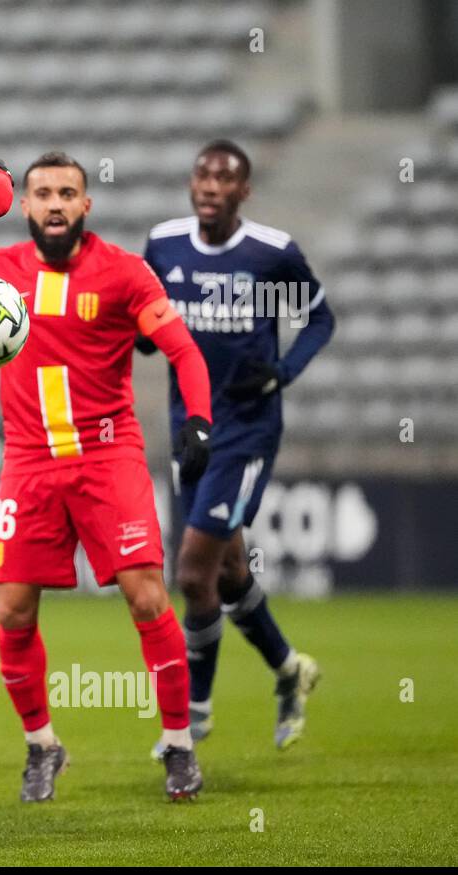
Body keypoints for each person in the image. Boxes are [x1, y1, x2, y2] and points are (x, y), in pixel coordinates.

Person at [0, 152, 215, 801]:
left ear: (85, 205)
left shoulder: (123, 274)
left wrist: (198, 420)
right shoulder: (2, 272)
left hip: (108, 456)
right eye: (42, 193)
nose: (56, 202)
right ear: (26, 206)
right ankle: (43, 746)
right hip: (30, 463)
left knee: (147, 595)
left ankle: (177, 743)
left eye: (68, 192)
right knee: (11, 610)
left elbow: (181, 349)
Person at [140, 139, 334, 751]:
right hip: (189, 427)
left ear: (243, 191)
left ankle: (192, 717)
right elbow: (147, 322)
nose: (210, 186)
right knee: (226, 574)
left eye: (224, 178)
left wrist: (283, 371)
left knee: (191, 574)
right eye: (202, 175)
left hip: (246, 432)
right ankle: (288, 670)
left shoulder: (271, 254)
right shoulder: (164, 245)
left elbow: (320, 318)